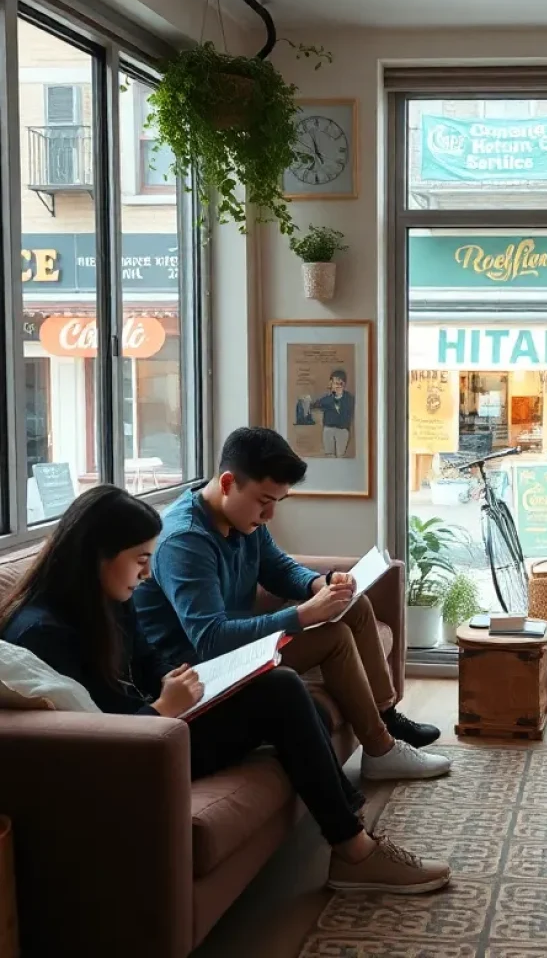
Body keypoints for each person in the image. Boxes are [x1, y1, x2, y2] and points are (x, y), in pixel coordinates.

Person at [0, 485, 450, 893]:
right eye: (140, 559)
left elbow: (148, 659)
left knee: (290, 694)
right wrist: (161, 710)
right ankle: (355, 850)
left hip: (163, 724)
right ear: (98, 554)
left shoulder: (107, 599)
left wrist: (184, 683)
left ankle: (353, 836)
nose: (147, 573)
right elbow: (93, 742)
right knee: (283, 694)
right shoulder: (43, 632)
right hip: (145, 751)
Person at [134, 426, 451, 783]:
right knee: (333, 638)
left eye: (277, 503)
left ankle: (386, 717)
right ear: (226, 483)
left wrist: (323, 584)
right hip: (197, 667)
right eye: (264, 501)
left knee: (355, 604)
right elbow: (211, 638)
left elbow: (276, 566)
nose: (269, 515)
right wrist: (303, 615)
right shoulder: (185, 541)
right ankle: (380, 750)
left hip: (233, 646)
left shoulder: (243, 518)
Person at [312, 370, 355, 457]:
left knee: (340, 455)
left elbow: (349, 410)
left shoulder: (349, 398)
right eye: (334, 383)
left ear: (344, 384)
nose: (337, 386)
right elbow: (315, 405)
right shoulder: (327, 398)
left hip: (342, 430)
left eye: (339, 383)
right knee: (329, 454)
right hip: (328, 429)